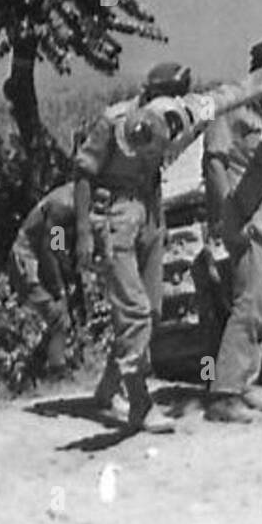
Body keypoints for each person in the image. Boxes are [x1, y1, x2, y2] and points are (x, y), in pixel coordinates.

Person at [74, 61, 193, 434]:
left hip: (150, 214)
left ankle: (108, 389)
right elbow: (83, 173)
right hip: (117, 217)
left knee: (152, 311)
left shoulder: (173, 118)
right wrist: (81, 232)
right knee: (134, 311)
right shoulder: (115, 120)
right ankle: (140, 404)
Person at [199, 39, 262, 423]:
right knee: (247, 304)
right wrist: (227, 219)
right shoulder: (232, 109)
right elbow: (215, 164)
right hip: (246, 222)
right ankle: (224, 393)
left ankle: (248, 381)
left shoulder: (258, 113)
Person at [8, 181, 79, 384]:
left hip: (42, 258)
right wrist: (59, 290)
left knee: (61, 317)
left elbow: (59, 248)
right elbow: (51, 250)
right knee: (58, 315)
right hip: (29, 259)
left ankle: (35, 368)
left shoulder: (72, 201)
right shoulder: (63, 205)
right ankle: (57, 372)